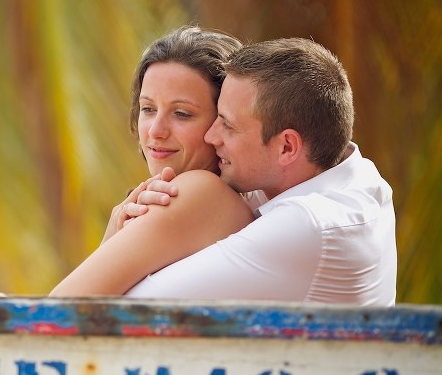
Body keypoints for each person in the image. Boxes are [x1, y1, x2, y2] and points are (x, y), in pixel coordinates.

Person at [126, 38, 397, 305]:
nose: (212, 135)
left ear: (287, 147)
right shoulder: (356, 173)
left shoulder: (305, 227)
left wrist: (121, 233)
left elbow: (123, 306)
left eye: (227, 125)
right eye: (147, 108)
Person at [50, 26, 255, 296]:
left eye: (182, 113)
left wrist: (112, 236)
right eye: (148, 108)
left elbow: (60, 307)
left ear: (223, 123)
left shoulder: (200, 191)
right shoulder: (205, 197)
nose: (156, 130)